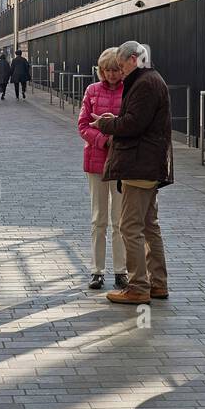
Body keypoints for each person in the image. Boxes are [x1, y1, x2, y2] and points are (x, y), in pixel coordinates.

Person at [92, 41, 172, 305]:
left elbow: (133, 124)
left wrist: (106, 123)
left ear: (133, 59)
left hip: (140, 163)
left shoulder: (144, 83)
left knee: (130, 226)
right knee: (150, 226)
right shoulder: (150, 79)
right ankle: (157, 283)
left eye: (121, 64)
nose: (119, 69)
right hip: (148, 163)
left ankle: (138, 286)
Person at [78, 48, 127, 291]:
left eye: (116, 69)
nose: (111, 74)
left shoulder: (130, 92)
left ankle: (121, 270)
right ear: (101, 70)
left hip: (121, 162)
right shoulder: (92, 91)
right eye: (107, 70)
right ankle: (96, 271)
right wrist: (104, 140)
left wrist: (115, 136)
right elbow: (83, 125)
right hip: (96, 160)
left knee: (120, 220)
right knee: (98, 219)